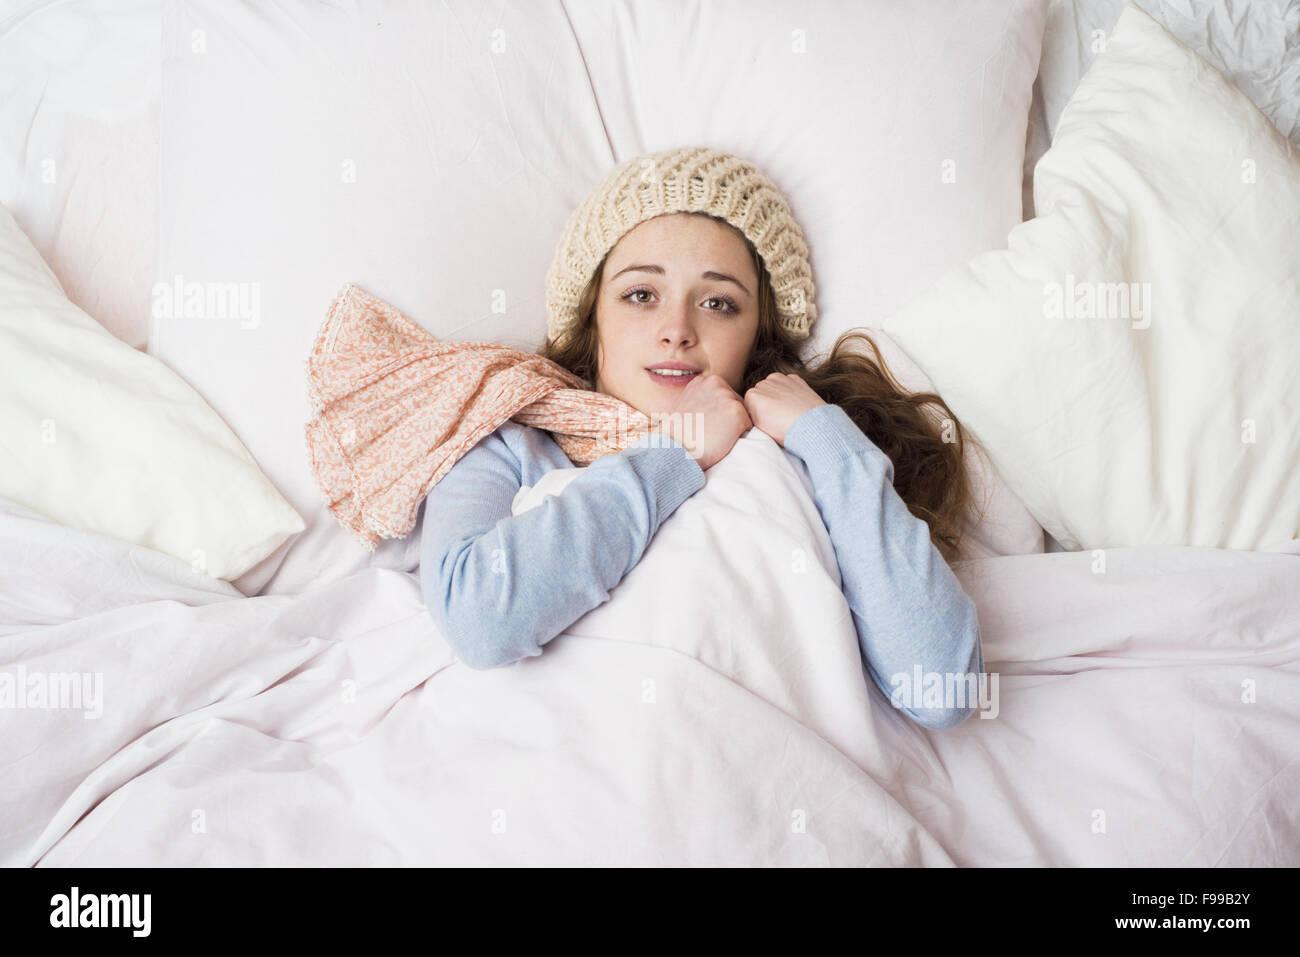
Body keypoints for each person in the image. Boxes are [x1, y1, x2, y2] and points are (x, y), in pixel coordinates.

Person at [420, 146, 987, 730]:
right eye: (641, 294)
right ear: (591, 317)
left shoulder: (805, 446)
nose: (678, 331)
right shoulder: (509, 436)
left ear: (757, 335)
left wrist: (826, 437)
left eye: (718, 303)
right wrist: (678, 450)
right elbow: (478, 621)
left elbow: (942, 687)